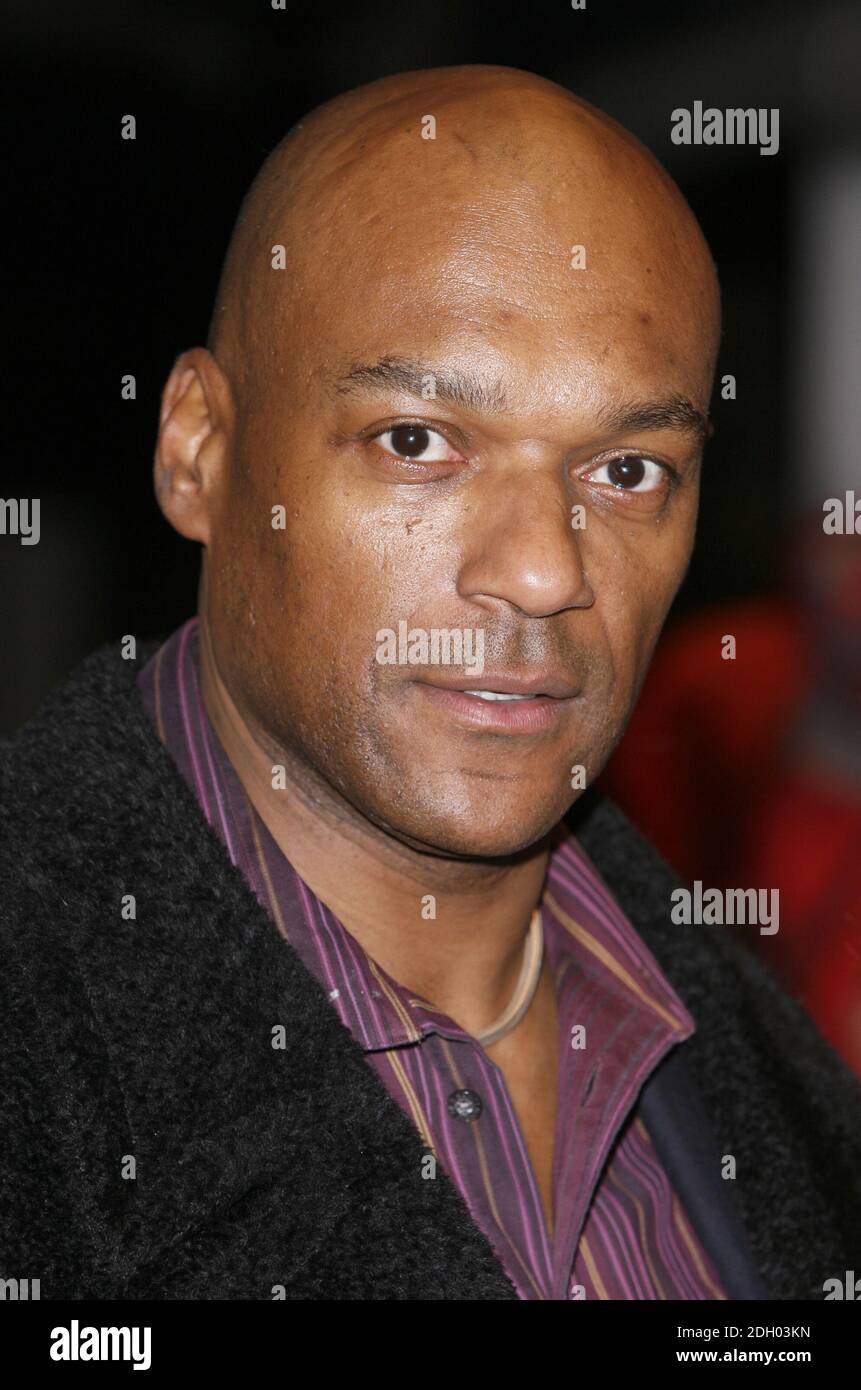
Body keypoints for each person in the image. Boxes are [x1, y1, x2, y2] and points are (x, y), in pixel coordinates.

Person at [1, 65, 858, 1302]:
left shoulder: (771, 1091)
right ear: (199, 450)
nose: (545, 569)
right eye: (418, 441)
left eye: (627, 469)